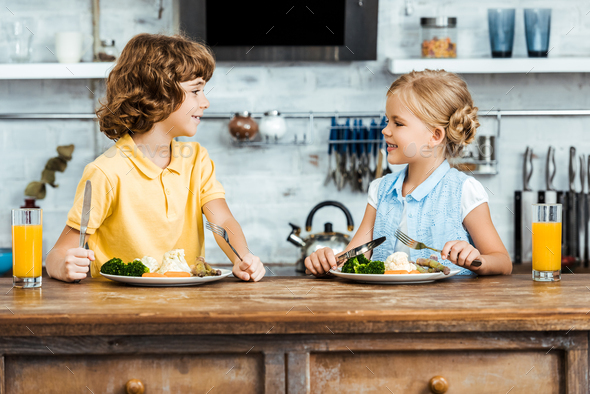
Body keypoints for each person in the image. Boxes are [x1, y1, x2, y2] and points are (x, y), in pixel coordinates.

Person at [46, 33, 265, 282]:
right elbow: (57, 253)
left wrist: (241, 256)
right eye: (195, 91)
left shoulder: (196, 160)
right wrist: (62, 265)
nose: (205, 102)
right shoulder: (106, 172)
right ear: (158, 95)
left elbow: (222, 219)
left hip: (186, 305)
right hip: (117, 310)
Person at [305, 69, 511, 276]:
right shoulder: (380, 190)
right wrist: (326, 262)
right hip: (386, 307)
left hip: (448, 307)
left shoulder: (463, 191)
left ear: (435, 135)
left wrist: (477, 260)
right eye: (387, 121)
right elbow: (351, 260)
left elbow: (502, 261)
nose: (385, 130)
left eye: (398, 123)